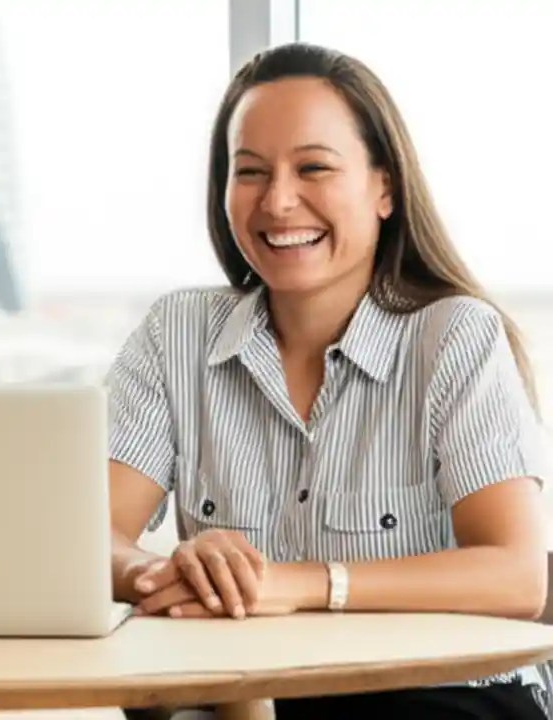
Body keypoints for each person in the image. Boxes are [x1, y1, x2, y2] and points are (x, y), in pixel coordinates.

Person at [108, 43, 550, 720]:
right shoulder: (176, 334)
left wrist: (296, 585)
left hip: (447, 697)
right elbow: (85, 537)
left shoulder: (455, 336)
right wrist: (159, 572)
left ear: (384, 188)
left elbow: (517, 575)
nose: (278, 201)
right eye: (250, 172)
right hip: (247, 696)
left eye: (313, 167)